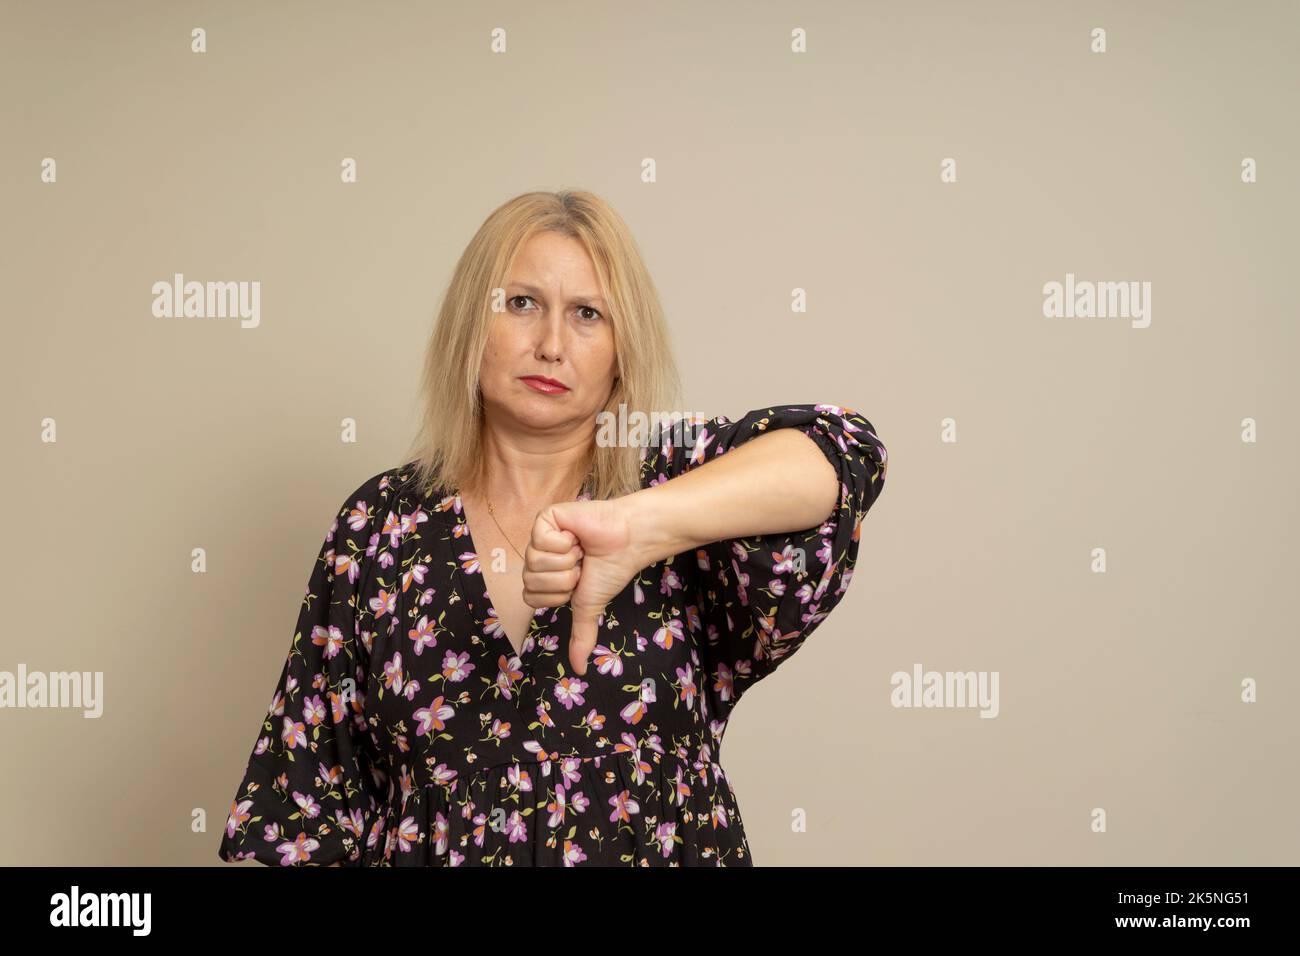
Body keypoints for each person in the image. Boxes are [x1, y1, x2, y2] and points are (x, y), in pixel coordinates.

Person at [216, 189, 888, 866]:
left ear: (624, 350)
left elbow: (841, 452)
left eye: (588, 314)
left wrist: (638, 525)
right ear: (469, 325)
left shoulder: (676, 479)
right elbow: (298, 816)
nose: (552, 345)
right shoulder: (381, 525)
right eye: (521, 303)